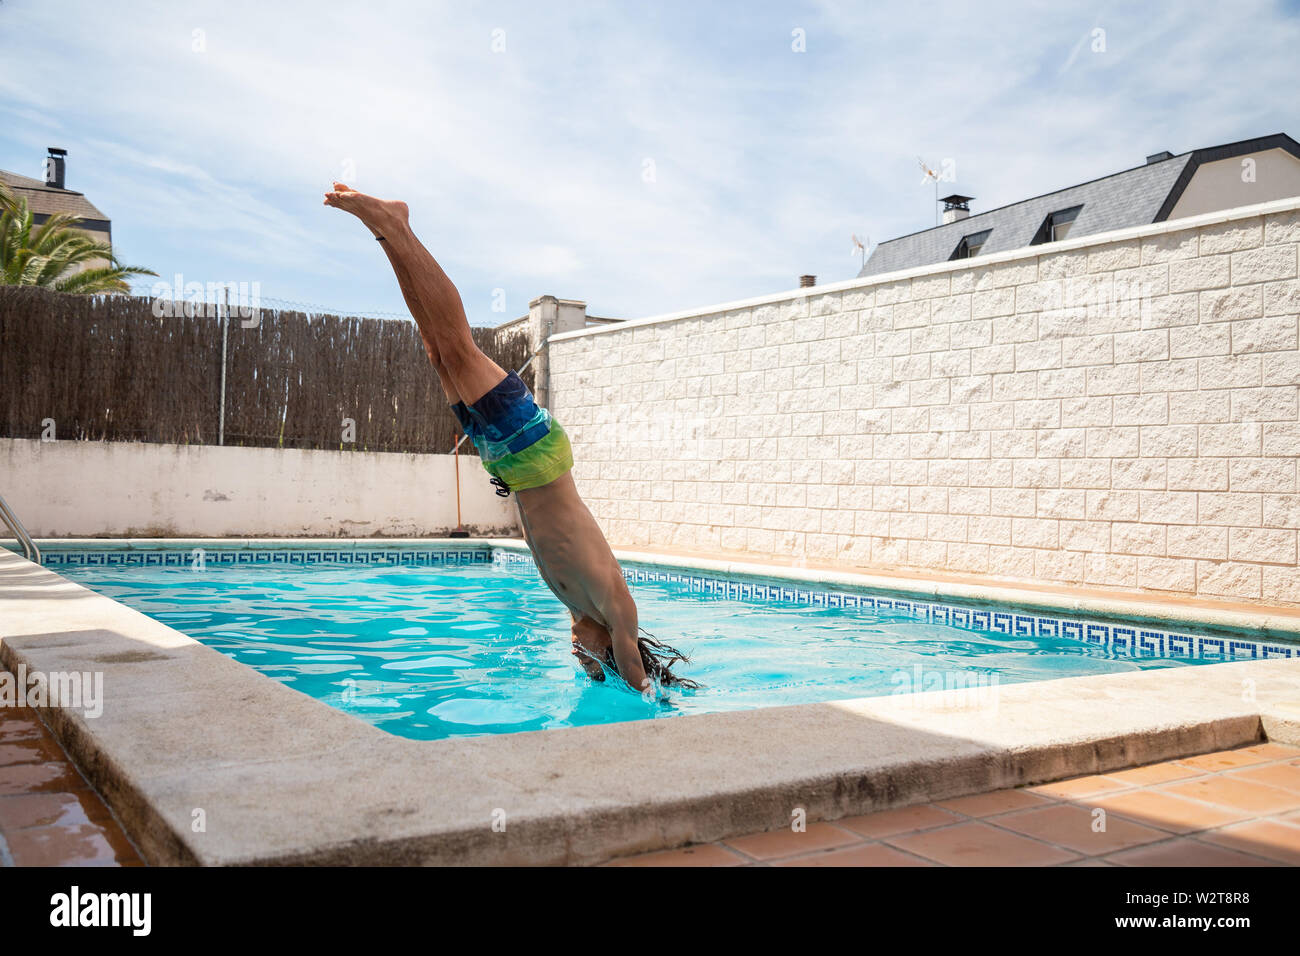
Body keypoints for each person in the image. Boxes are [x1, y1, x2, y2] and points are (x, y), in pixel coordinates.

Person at [324, 184, 696, 692]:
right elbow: (634, 673)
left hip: (507, 463)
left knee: (437, 350)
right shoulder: (616, 609)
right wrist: (647, 696)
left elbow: (595, 658)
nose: (578, 658)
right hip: (533, 452)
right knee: (458, 345)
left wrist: (592, 671)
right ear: (614, 648)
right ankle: (395, 222)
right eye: (591, 661)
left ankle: (387, 233)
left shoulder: (577, 612)